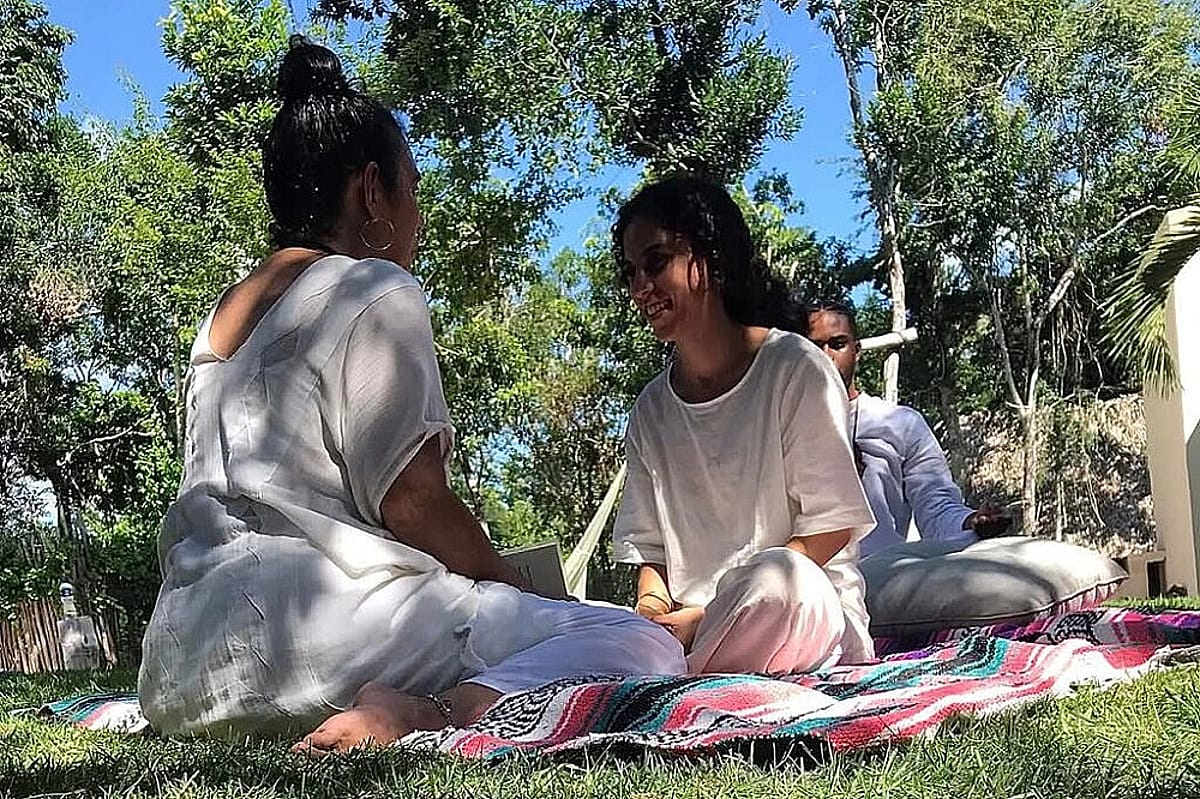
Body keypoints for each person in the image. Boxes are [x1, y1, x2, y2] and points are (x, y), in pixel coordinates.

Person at [137, 36, 685, 754]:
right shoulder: (373, 285)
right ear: (372, 191)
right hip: (325, 640)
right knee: (636, 640)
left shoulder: (219, 319)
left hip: (184, 671)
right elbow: (415, 503)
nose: (417, 219)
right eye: (413, 190)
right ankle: (434, 710)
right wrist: (519, 589)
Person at [610, 175, 878, 674]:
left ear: (711, 257)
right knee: (590, 622)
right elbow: (650, 555)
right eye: (630, 272)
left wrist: (707, 617)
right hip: (688, 633)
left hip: (802, 615)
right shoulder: (651, 410)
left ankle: (663, 684)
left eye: (656, 262)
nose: (640, 287)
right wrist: (649, 614)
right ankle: (673, 674)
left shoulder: (794, 366)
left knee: (777, 581)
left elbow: (832, 527)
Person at [801, 301, 1012, 558]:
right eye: (813, 347)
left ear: (857, 351)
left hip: (882, 577)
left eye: (837, 344)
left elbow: (936, 506)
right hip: (803, 580)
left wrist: (971, 522)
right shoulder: (779, 427)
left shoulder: (900, 424)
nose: (825, 356)